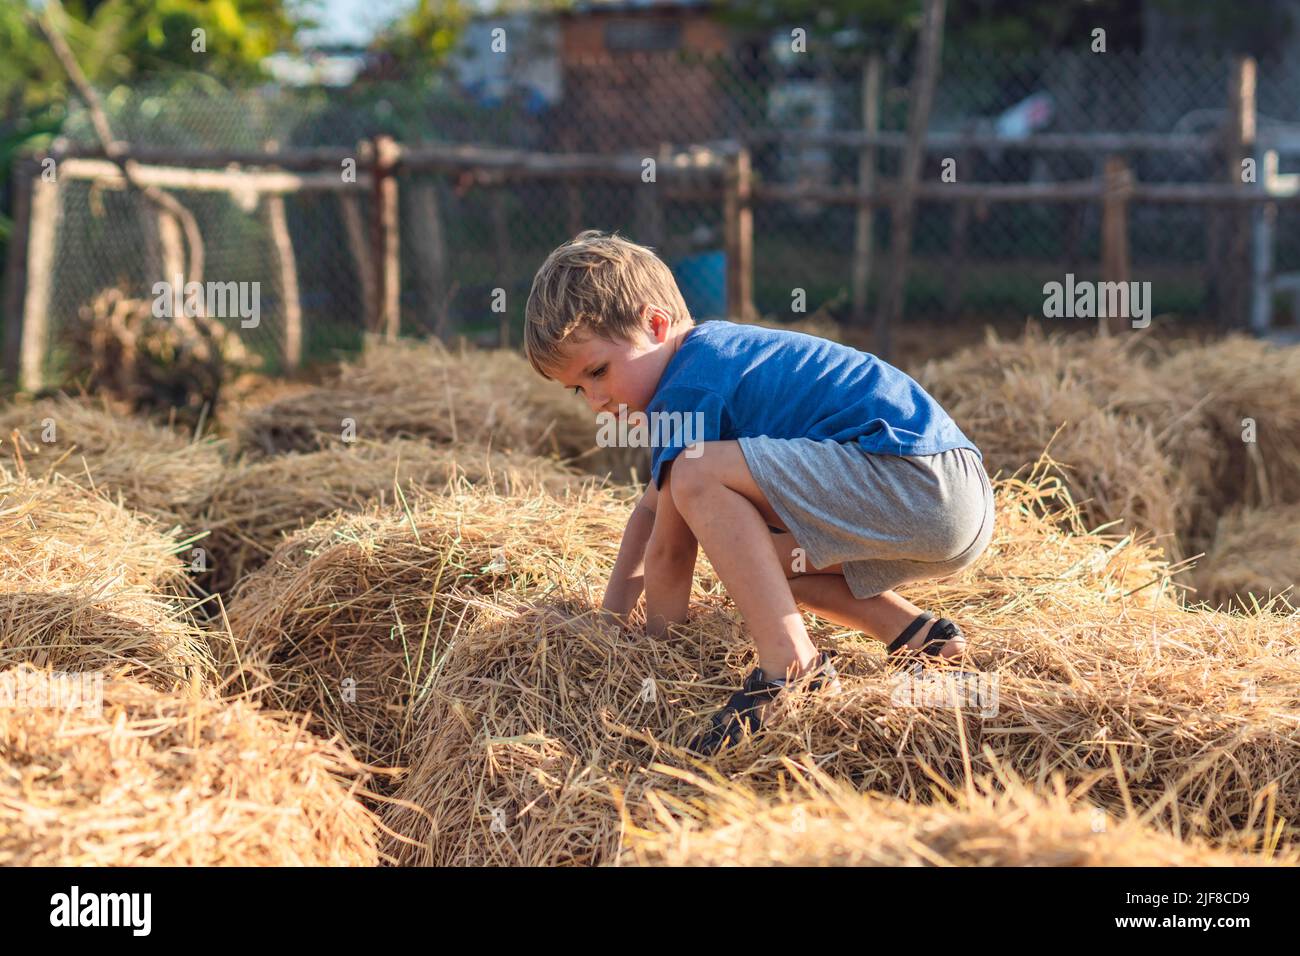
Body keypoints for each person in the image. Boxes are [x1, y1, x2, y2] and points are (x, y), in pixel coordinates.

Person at [523, 230, 994, 755]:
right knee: (756, 561)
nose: (594, 400)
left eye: (598, 371)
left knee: (696, 475)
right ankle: (917, 636)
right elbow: (651, 513)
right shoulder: (709, 362)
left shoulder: (688, 385)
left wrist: (654, 659)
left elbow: (669, 549)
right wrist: (607, 628)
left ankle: (791, 673)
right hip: (951, 500)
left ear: (655, 325)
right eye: (578, 389)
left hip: (916, 479)